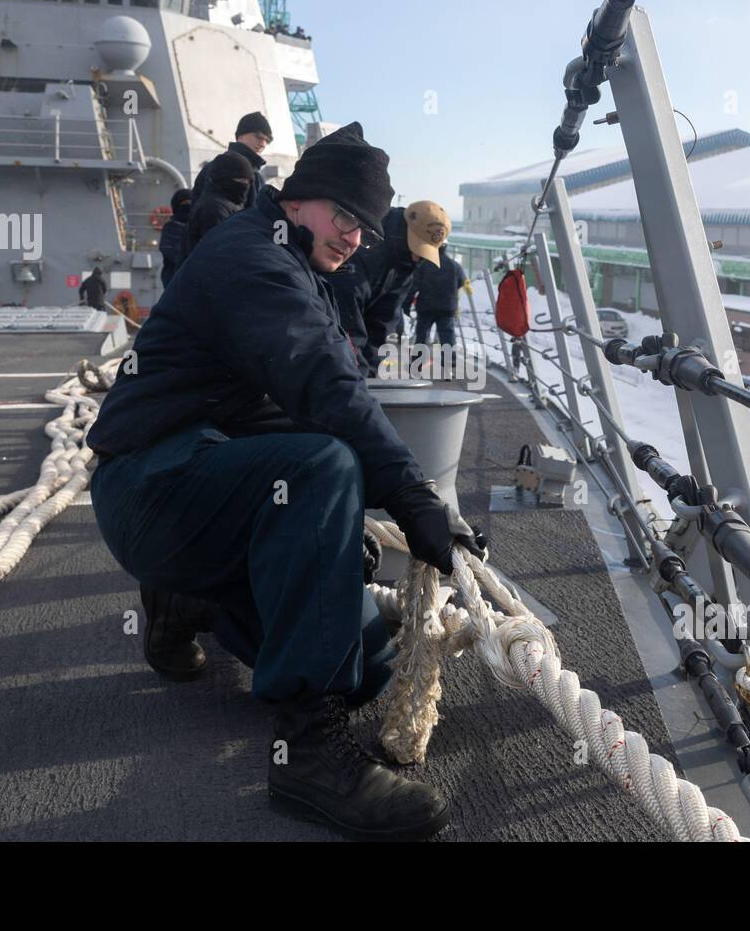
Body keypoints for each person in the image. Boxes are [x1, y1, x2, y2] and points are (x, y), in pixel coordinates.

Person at [87, 122, 483, 842]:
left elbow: (308, 393)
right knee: (323, 468)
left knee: (364, 666)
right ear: (298, 202)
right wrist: (412, 495)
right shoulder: (254, 259)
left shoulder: (303, 266)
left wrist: (340, 523)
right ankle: (306, 755)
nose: (355, 237)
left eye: (365, 226)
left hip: (196, 484)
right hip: (148, 484)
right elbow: (324, 384)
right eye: (344, 216)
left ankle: (186, 601)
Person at [326, 199, 449, 376]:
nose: (417, 259)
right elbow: (346, 323)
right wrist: (357, 377)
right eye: (417, 250)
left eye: (423, 254)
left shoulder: (403, 266)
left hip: (350, 348)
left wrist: (371, 373)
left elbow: (382, 326)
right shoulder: (361, 253)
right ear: (405, 232)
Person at [194, 111, 272, 210]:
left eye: (267, 140)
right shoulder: (245, 172)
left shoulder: (211, 167)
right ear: (241, 136)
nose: (263, 144)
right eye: (259, 136)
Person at [184, 151, 254, 259]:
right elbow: (220, 250)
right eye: (241, 180)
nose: (245, 185)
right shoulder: (214, 208)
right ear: (225, 179)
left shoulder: (231, 203)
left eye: (248, 181)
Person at [409, 243, 469, 350]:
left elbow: (414, 286)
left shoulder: (424, 265)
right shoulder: (455, 265)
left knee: (422, 335)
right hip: (447, 306)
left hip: (426, 306)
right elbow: (461, 282)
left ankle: (417, 362)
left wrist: (406, 303)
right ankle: (449, 361)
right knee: (447, 335)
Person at [158, 189, 193, 288]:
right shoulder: (199, 224)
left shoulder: (170, 227)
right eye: (185, 203)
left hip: (175, 282)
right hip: (181, 282)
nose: (187, 206)